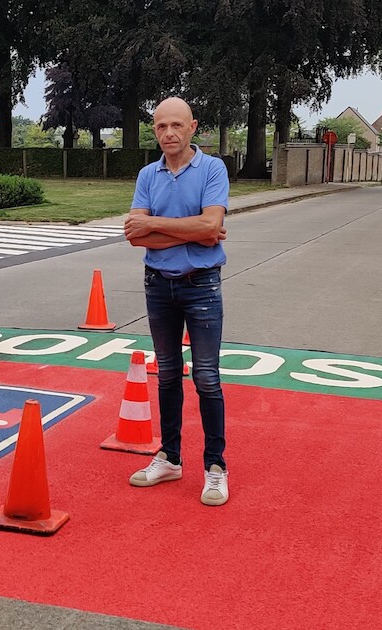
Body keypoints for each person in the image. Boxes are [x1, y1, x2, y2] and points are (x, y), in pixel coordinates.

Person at [123, 97, 230, 507]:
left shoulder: (212, 169)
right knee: (167, 374)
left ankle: (215, 467)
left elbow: (211, 224)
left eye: (176, 126)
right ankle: (169, 457)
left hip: (201, 284)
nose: (169, 133)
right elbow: (135, 235)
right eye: (161, 126)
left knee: (206, 377)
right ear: (154, 130)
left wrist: (155, 224)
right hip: (158, 285)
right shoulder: (148, 175)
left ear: (192, 127)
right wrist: (196, 232)